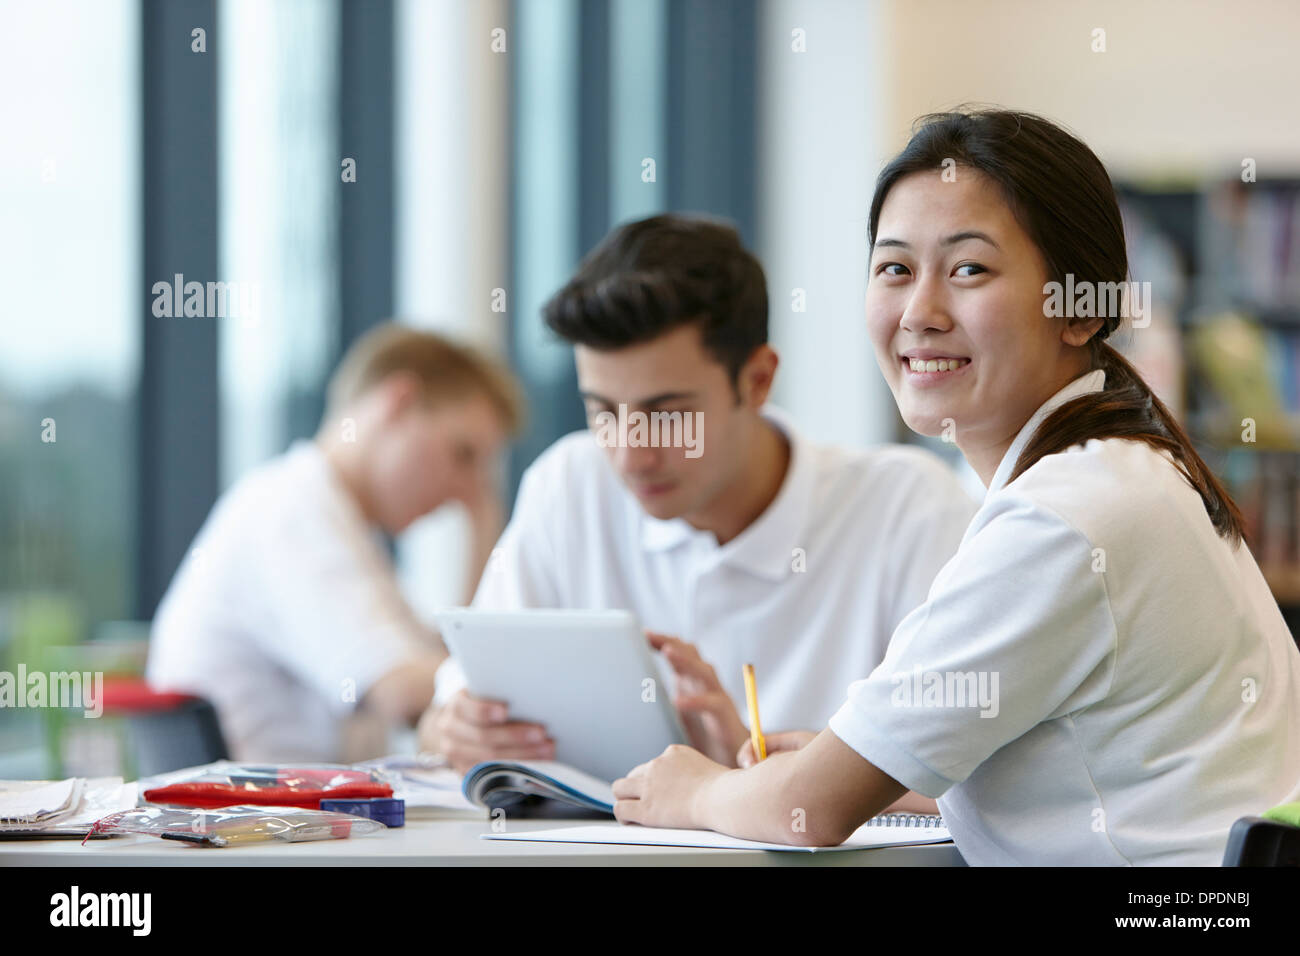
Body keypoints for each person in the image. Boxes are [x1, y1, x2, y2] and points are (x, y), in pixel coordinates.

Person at [609, 109, 1300, 866]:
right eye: (895, 269)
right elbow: (1093, 776)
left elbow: (806, 815)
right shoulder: (1124, 468)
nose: (920, 313)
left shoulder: (1068, 517)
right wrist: (861, 765)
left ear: (1082, 308)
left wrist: (695, 791)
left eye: (969, 269)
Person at [420, 214, 978, 799]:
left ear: (758, 381)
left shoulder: (908, 512)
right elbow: (446, 713)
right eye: (603, 411)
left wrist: (753, 783)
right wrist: (457, 729)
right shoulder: (571, 484)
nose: (631, 454)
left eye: (666, 415)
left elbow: (970, 788)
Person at [147, 323, 522, 762]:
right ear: (397, 404)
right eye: (463, 455)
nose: (469, 491)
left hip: (288, 816)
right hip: (253, 819)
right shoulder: (290, 512)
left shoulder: (342, 526)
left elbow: (445, 663)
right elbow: (404, 691)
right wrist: (539, 687)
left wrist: (482, 532)